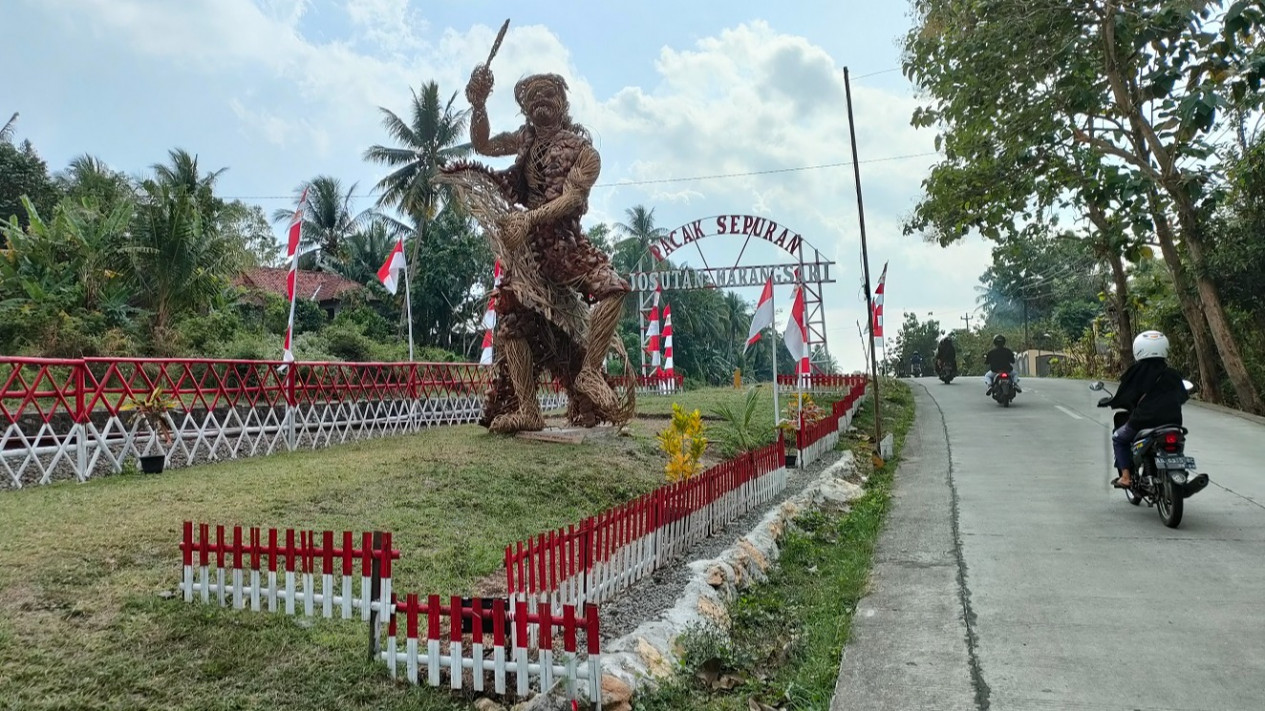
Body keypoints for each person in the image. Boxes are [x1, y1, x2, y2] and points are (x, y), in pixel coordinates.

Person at [1096, 330, 1189, 489]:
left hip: (1142, 421)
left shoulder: (1135, 373)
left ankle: (1125, 477)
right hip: (1173, 422)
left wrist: (1109, 402)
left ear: (1138, 349)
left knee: (1119, 438)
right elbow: (1183, 396)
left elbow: (1125, 396)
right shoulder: (1173, 374)